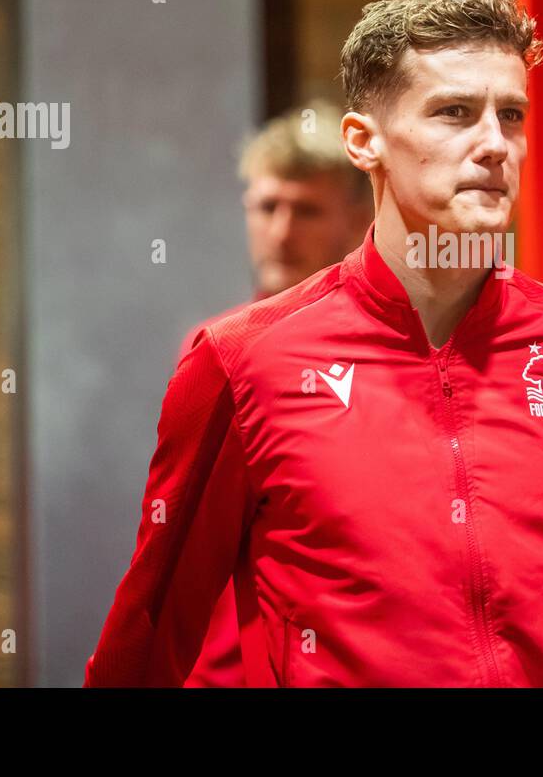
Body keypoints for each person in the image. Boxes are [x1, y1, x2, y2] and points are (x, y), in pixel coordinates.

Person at [86, 0, 543, 687]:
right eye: (454, 113)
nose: (494, 145)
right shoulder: (245, 362)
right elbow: (151, 633)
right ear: (363, 141)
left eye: (512, 115)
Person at [178, 101, 373, 687]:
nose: (282, 231)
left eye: (307, 210)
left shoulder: (392, 345)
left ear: (355, 219)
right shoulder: (216, 348)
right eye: (268, 207)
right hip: (224, 671)